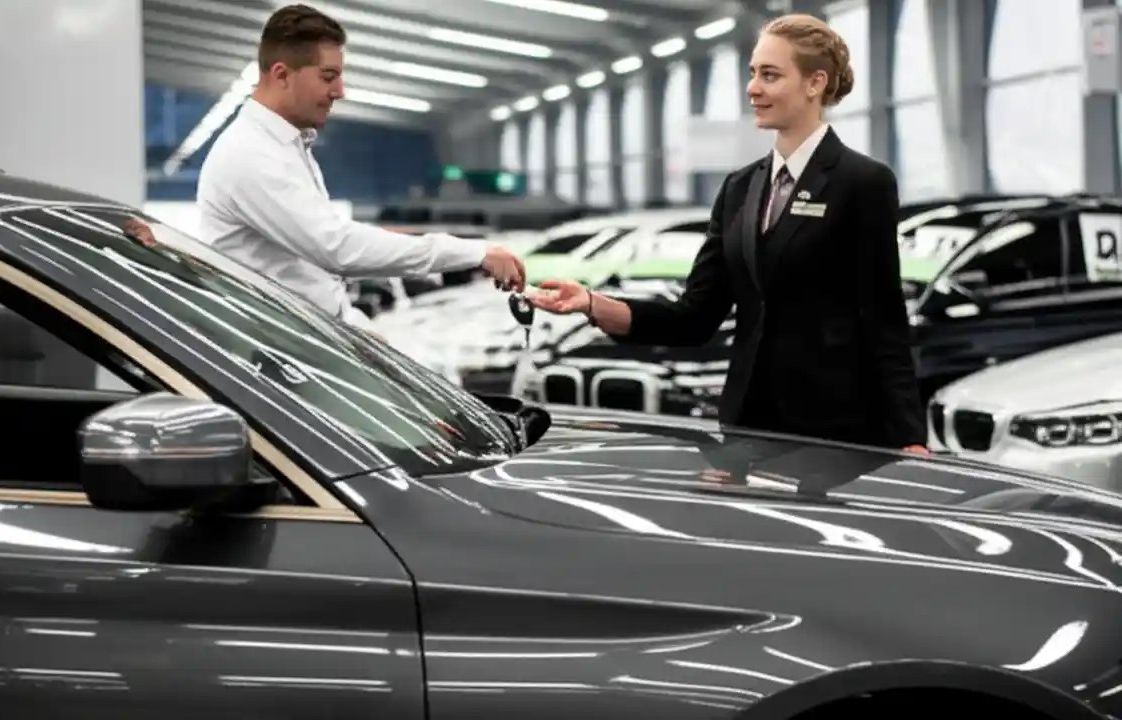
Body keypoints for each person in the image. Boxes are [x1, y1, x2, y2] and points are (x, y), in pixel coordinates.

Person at [527, 13, 928, 454]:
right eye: (753, 73)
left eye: (770, 75)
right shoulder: (740, 187)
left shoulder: (863, 181)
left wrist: (909, 438)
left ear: (815, 83)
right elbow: (695, 317)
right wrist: (590, 303)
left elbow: (884, 320)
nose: (753, 88)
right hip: (747, 425)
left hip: (835, 431)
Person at [196, 4, 525, 329]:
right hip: (276, 353)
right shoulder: (251, 154)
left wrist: (358, 328)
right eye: (328, 77)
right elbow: (337, 248)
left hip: (305, 339)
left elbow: (309, 274)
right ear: (281, 74)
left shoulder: (286, 146)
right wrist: (474, 252)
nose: (340, 91)